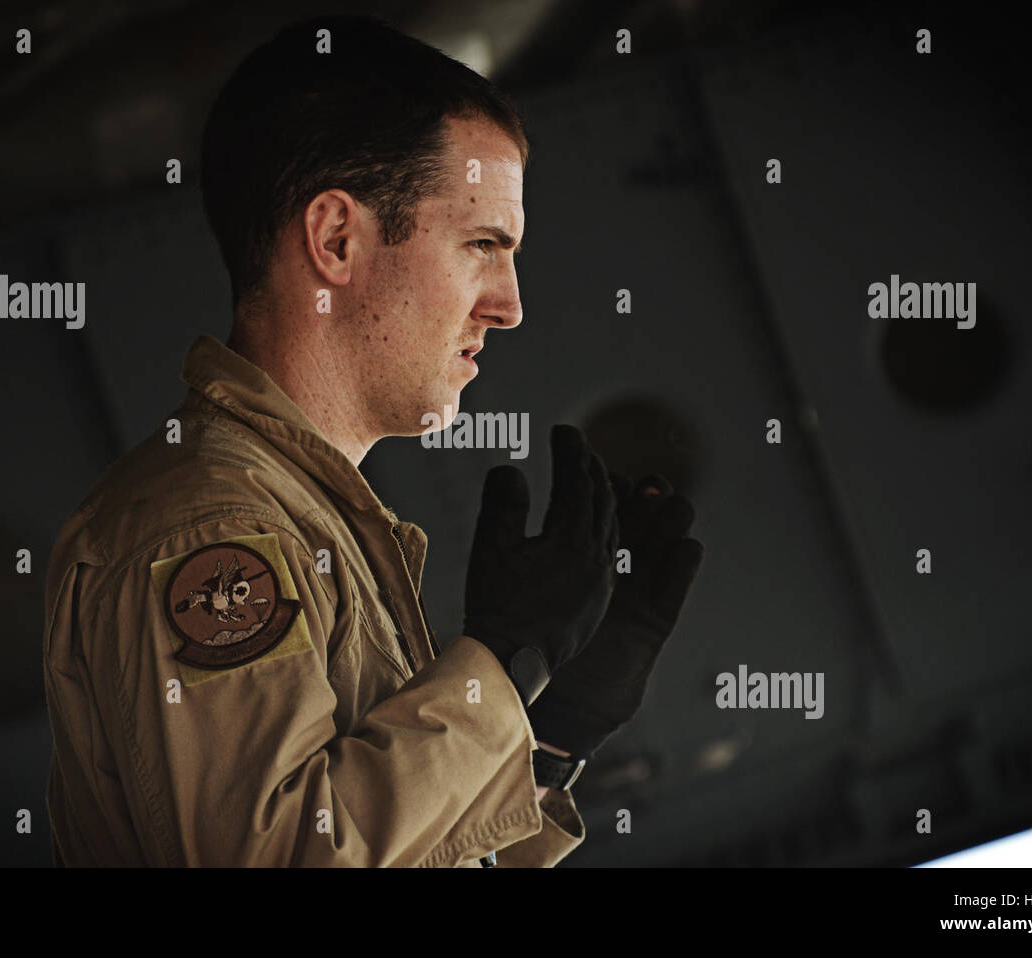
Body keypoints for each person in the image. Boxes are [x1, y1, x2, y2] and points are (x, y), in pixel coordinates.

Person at [41, 14, 703, 867]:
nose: (509, 305)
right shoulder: (208, 531)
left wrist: (542, 733)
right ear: (337, 240)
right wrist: (495, 666)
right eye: (481, 245)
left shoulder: (304, 520)